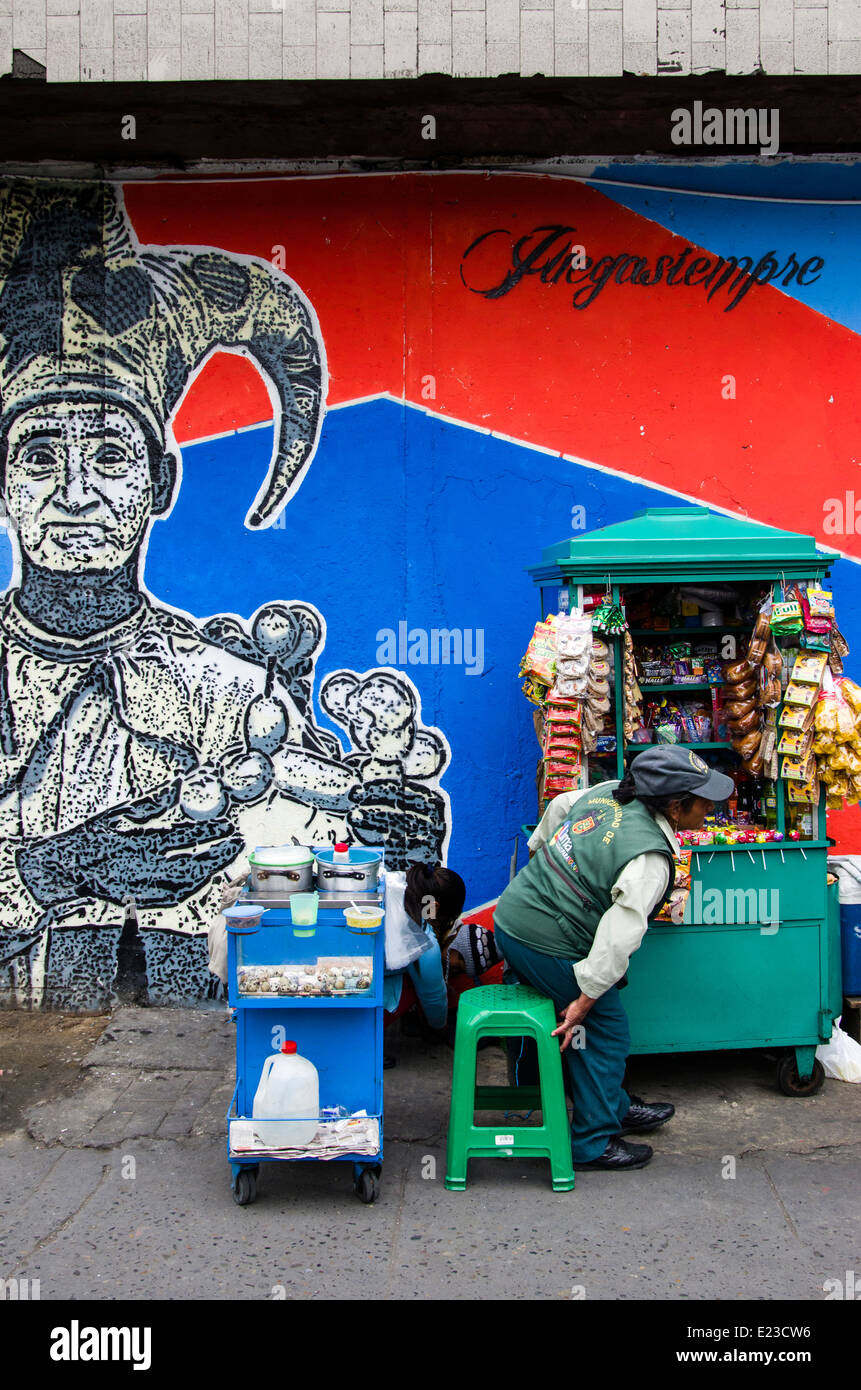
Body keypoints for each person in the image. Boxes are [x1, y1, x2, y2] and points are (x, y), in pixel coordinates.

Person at [0, 182, 449, 1007]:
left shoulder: (232, 689)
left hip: (193, 1049)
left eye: (108, 455)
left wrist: (398, 838)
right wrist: (51, 868)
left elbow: (315, 851)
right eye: (35, 458)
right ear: (2, 484)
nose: (73, 492)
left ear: (160, 481)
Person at [493, 746, 734, 1170]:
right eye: (704, 800)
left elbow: (560, 806)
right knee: (606, 1031)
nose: (712, 807)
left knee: (597, 1018)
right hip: (539, 941)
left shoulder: (608, 792)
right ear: (676, 806)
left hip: (512, 917)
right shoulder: (649, 858)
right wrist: (584, 1002)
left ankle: (612, 1105)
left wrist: (541, 858)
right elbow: (618, 937)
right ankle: (592, 1143)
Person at [383, 862, 466, 1044]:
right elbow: (433, 996)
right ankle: (364, 1036)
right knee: (417, 981)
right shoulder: (422, 940)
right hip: (355, 987)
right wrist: (440, 1027)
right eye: (446, 919)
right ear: (433, 906)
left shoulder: (393, 880)